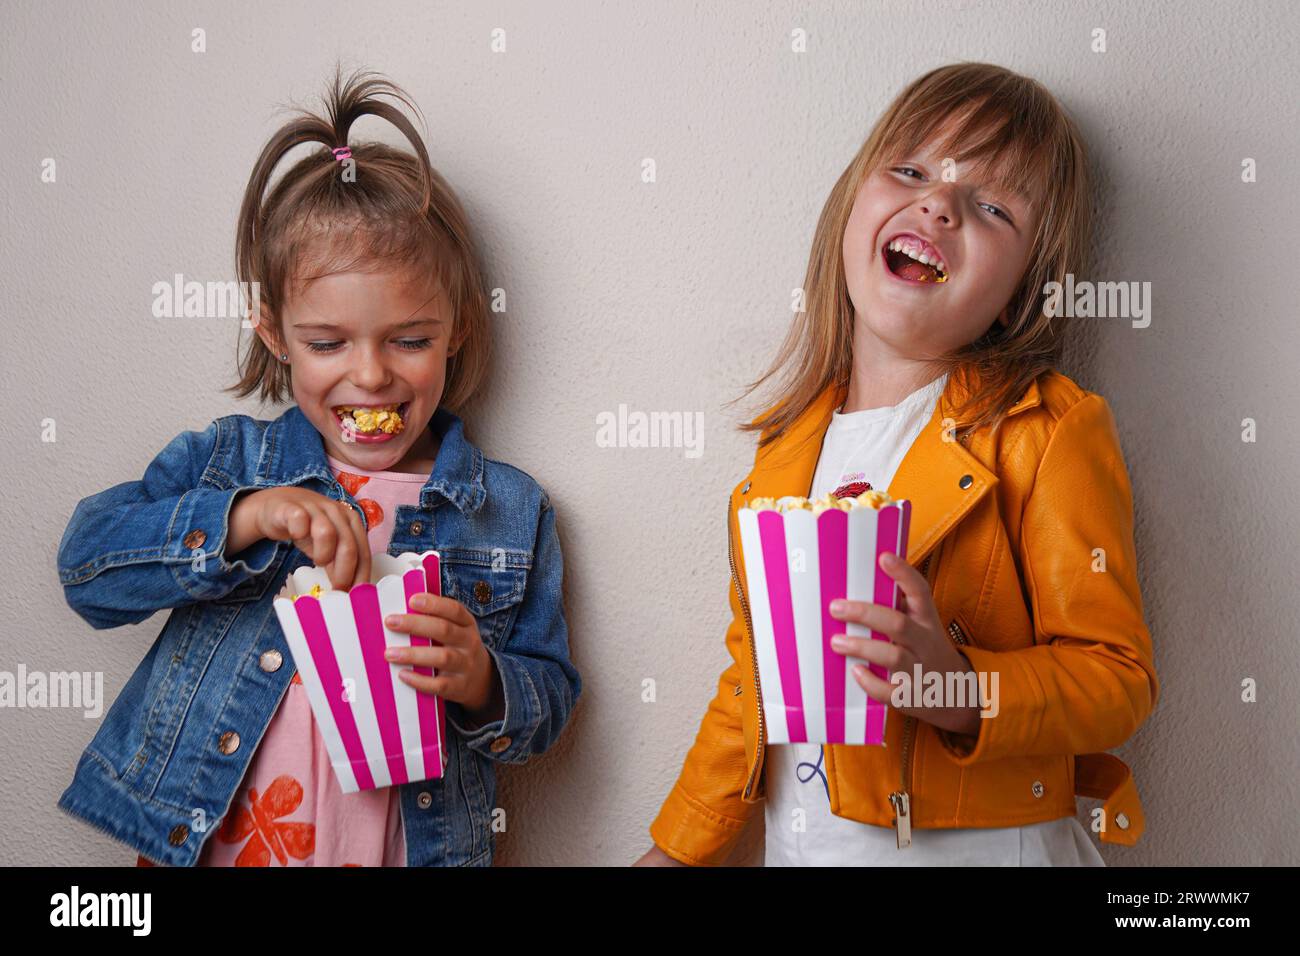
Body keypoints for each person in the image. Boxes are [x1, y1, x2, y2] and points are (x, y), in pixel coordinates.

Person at [637, 62, 1158, 866]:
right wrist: (676, 853)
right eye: (911, 170)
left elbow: (1116, 679)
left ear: (1021, 294)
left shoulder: (1047, 431)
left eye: (990, 206)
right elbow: (752, 681)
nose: (939, 203)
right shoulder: (784, 454)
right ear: (853, 206)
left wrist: (953, 687)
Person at [56, 66, 580, 866]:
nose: (369, 377)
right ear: (274, 334)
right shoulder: (232, 461)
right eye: (327, 343)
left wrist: (483, 681)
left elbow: (548, 706)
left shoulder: (509, 510)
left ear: (460, 329)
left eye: (409, 340)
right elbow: (87, 569)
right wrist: (243, 517)